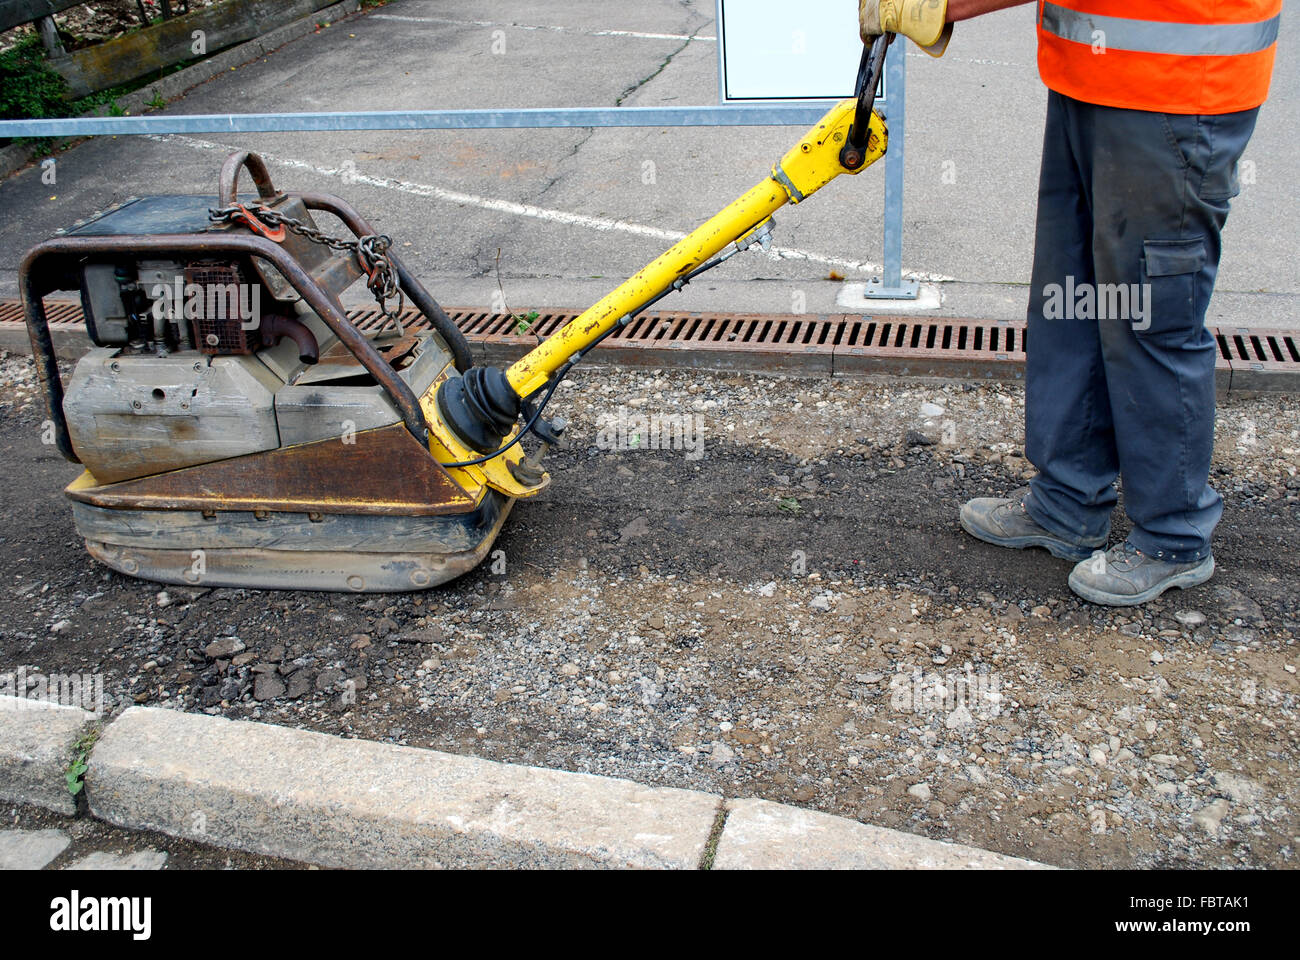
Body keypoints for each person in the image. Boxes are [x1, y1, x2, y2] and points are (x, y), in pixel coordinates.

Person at [859, 0, 1281, 605]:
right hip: (1096, 76)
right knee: (1073, 298)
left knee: (1150, 315)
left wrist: (940, 4)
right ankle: (1068, 501)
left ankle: (1174, 536)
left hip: (1178, 85)